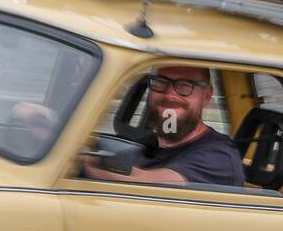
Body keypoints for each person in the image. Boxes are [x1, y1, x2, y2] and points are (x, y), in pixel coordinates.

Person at [83, 65, 245, 187]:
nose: (169, 95)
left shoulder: (220, 158)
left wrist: (84, 161)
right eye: (161, 82)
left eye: (185, 85)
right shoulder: (147, 143)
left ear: (206, 96)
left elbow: (137, 183)